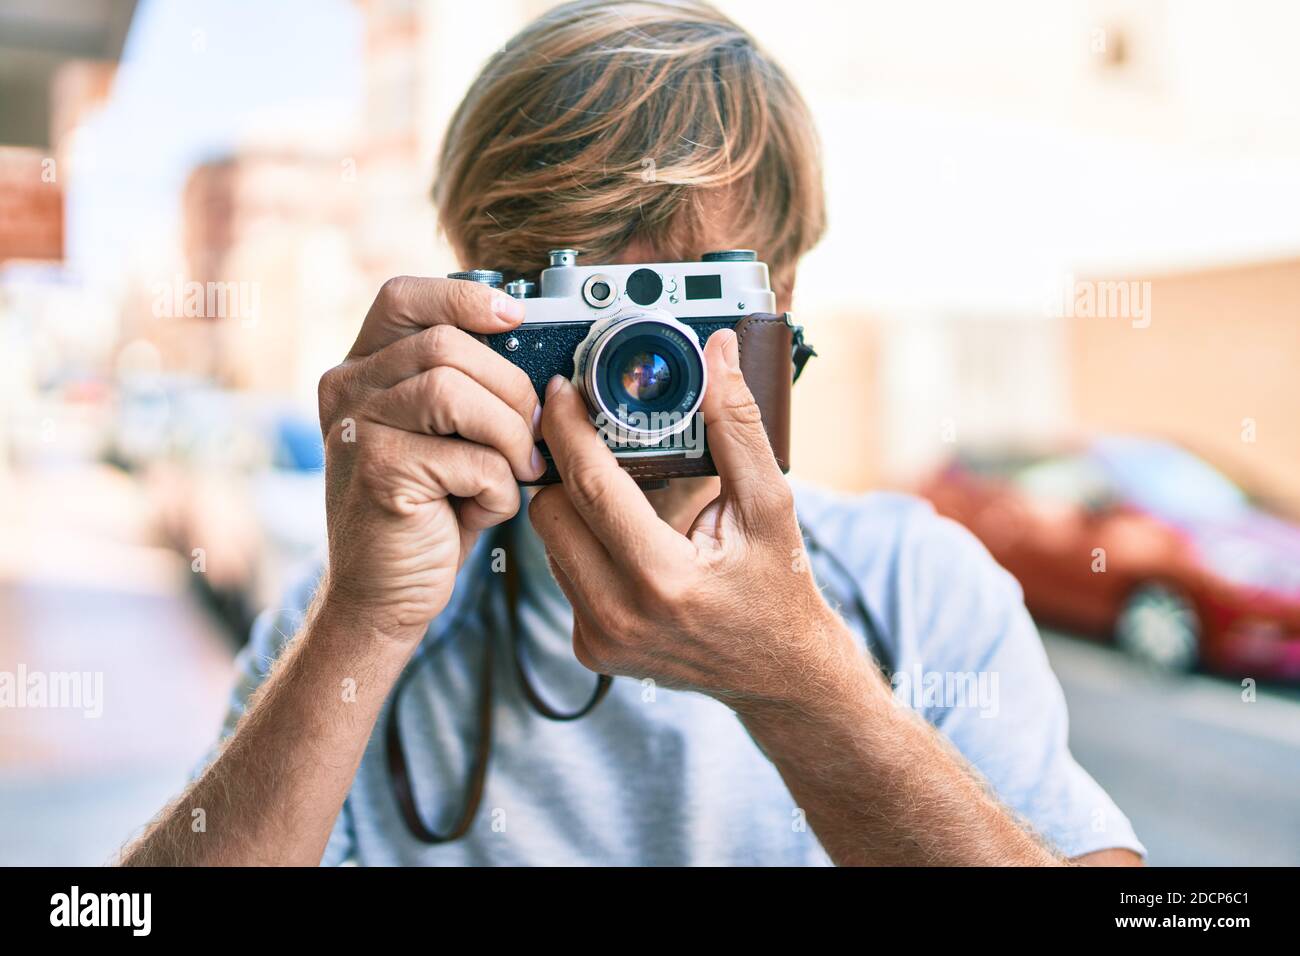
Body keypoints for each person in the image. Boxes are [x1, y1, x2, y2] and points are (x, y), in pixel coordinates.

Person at [122, 0, 1144, 866]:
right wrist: (362, 620)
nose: (634, 366)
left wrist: (797, 679)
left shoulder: (911, 587)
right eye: (583, 306)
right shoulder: (367, 606)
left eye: (687, 301)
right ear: (479, 303)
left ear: (778, 303)